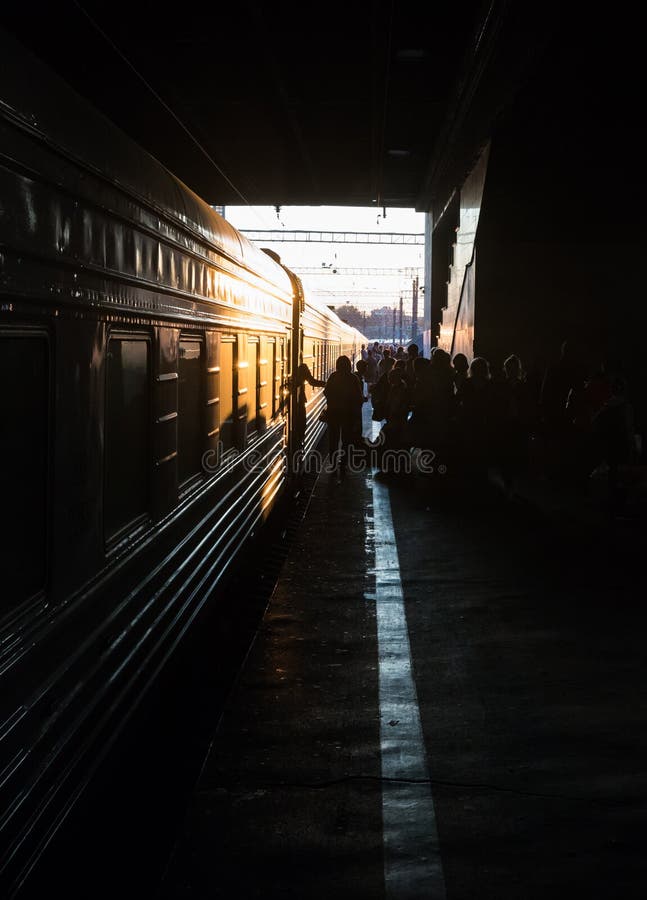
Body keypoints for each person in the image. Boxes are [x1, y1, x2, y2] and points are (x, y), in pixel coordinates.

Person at [324, 355, 364, 480]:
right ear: (349, 365)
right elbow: (358, 397)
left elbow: (326, 392)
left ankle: (333, 462)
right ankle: (343, 462)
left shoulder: (333, 376)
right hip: (348, 414)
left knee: (333, 439)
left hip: (334, 413)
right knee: (346, 439)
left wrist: (333, 401)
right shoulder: (353, 378)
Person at [293, 362, 325, 450]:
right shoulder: (303, 368)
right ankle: (299, 443)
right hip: (299, 402)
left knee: (300, 424)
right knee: (301, 423)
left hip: (297, 402)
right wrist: (326, 384)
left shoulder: (301, 368)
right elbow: (312, 382)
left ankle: (298, 443)